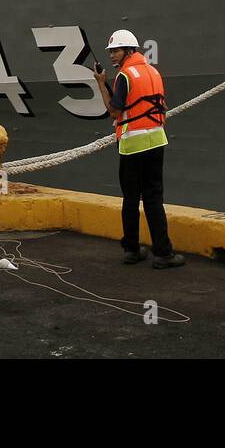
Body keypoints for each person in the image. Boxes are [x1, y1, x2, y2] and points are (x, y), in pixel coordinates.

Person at [92, 30, 184, 269]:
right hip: (157, 141)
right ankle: (163, 253)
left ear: (129, 51)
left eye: (116, 50)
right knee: (154, 198)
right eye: (111, 51)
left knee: (131, 199)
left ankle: (132, 250)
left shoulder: (124, 75)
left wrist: (101, 84)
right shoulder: (153, 71)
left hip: (133, 144)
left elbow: (114, 111)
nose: (112, 55)